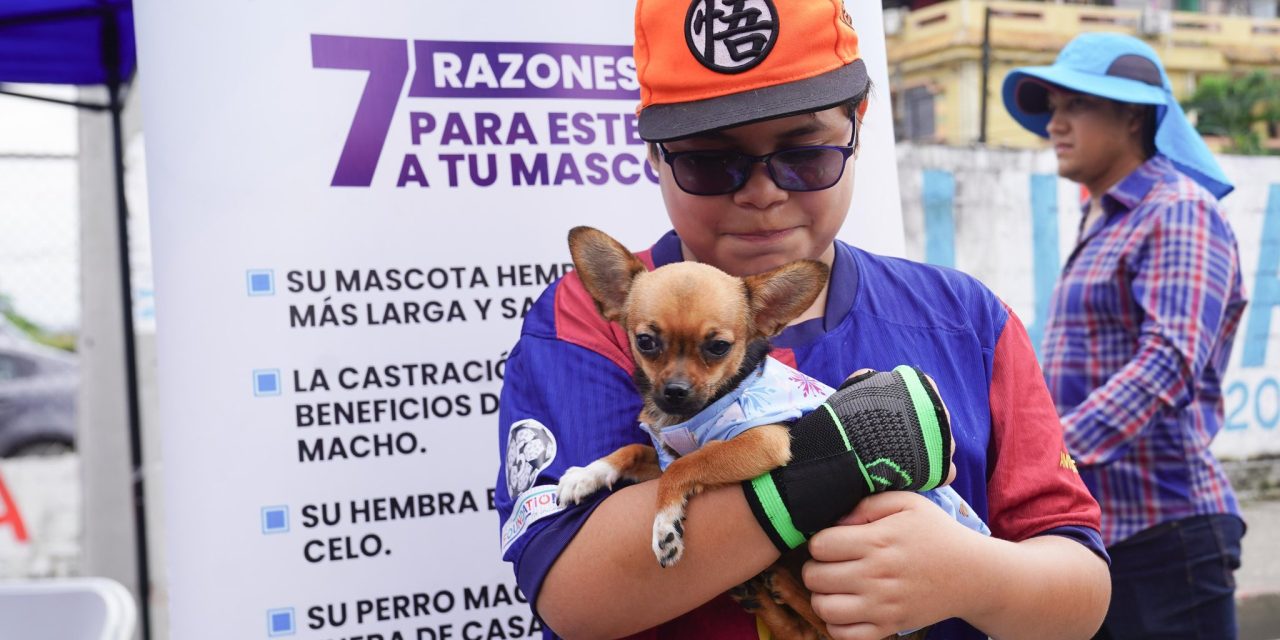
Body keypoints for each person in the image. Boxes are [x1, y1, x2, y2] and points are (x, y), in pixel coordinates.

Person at [495, 2, 1111, 638]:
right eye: (711, 161)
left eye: (806, 154)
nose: (762, 193)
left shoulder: (964, 321)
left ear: (858, 124)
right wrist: (826, 465)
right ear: (655, 155)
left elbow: (1082, 591)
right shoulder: (588, 321)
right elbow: (570, 595)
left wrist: (971, 574)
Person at [1003, 32, 1247, 639]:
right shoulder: (1107, 217)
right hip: (1104, 532)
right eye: (1053, 109)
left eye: (1076, 106)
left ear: (1133, 116)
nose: (1055, 124)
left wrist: (1054, 458)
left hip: (1166, 532)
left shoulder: (1176, 209)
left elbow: (1168, 360)